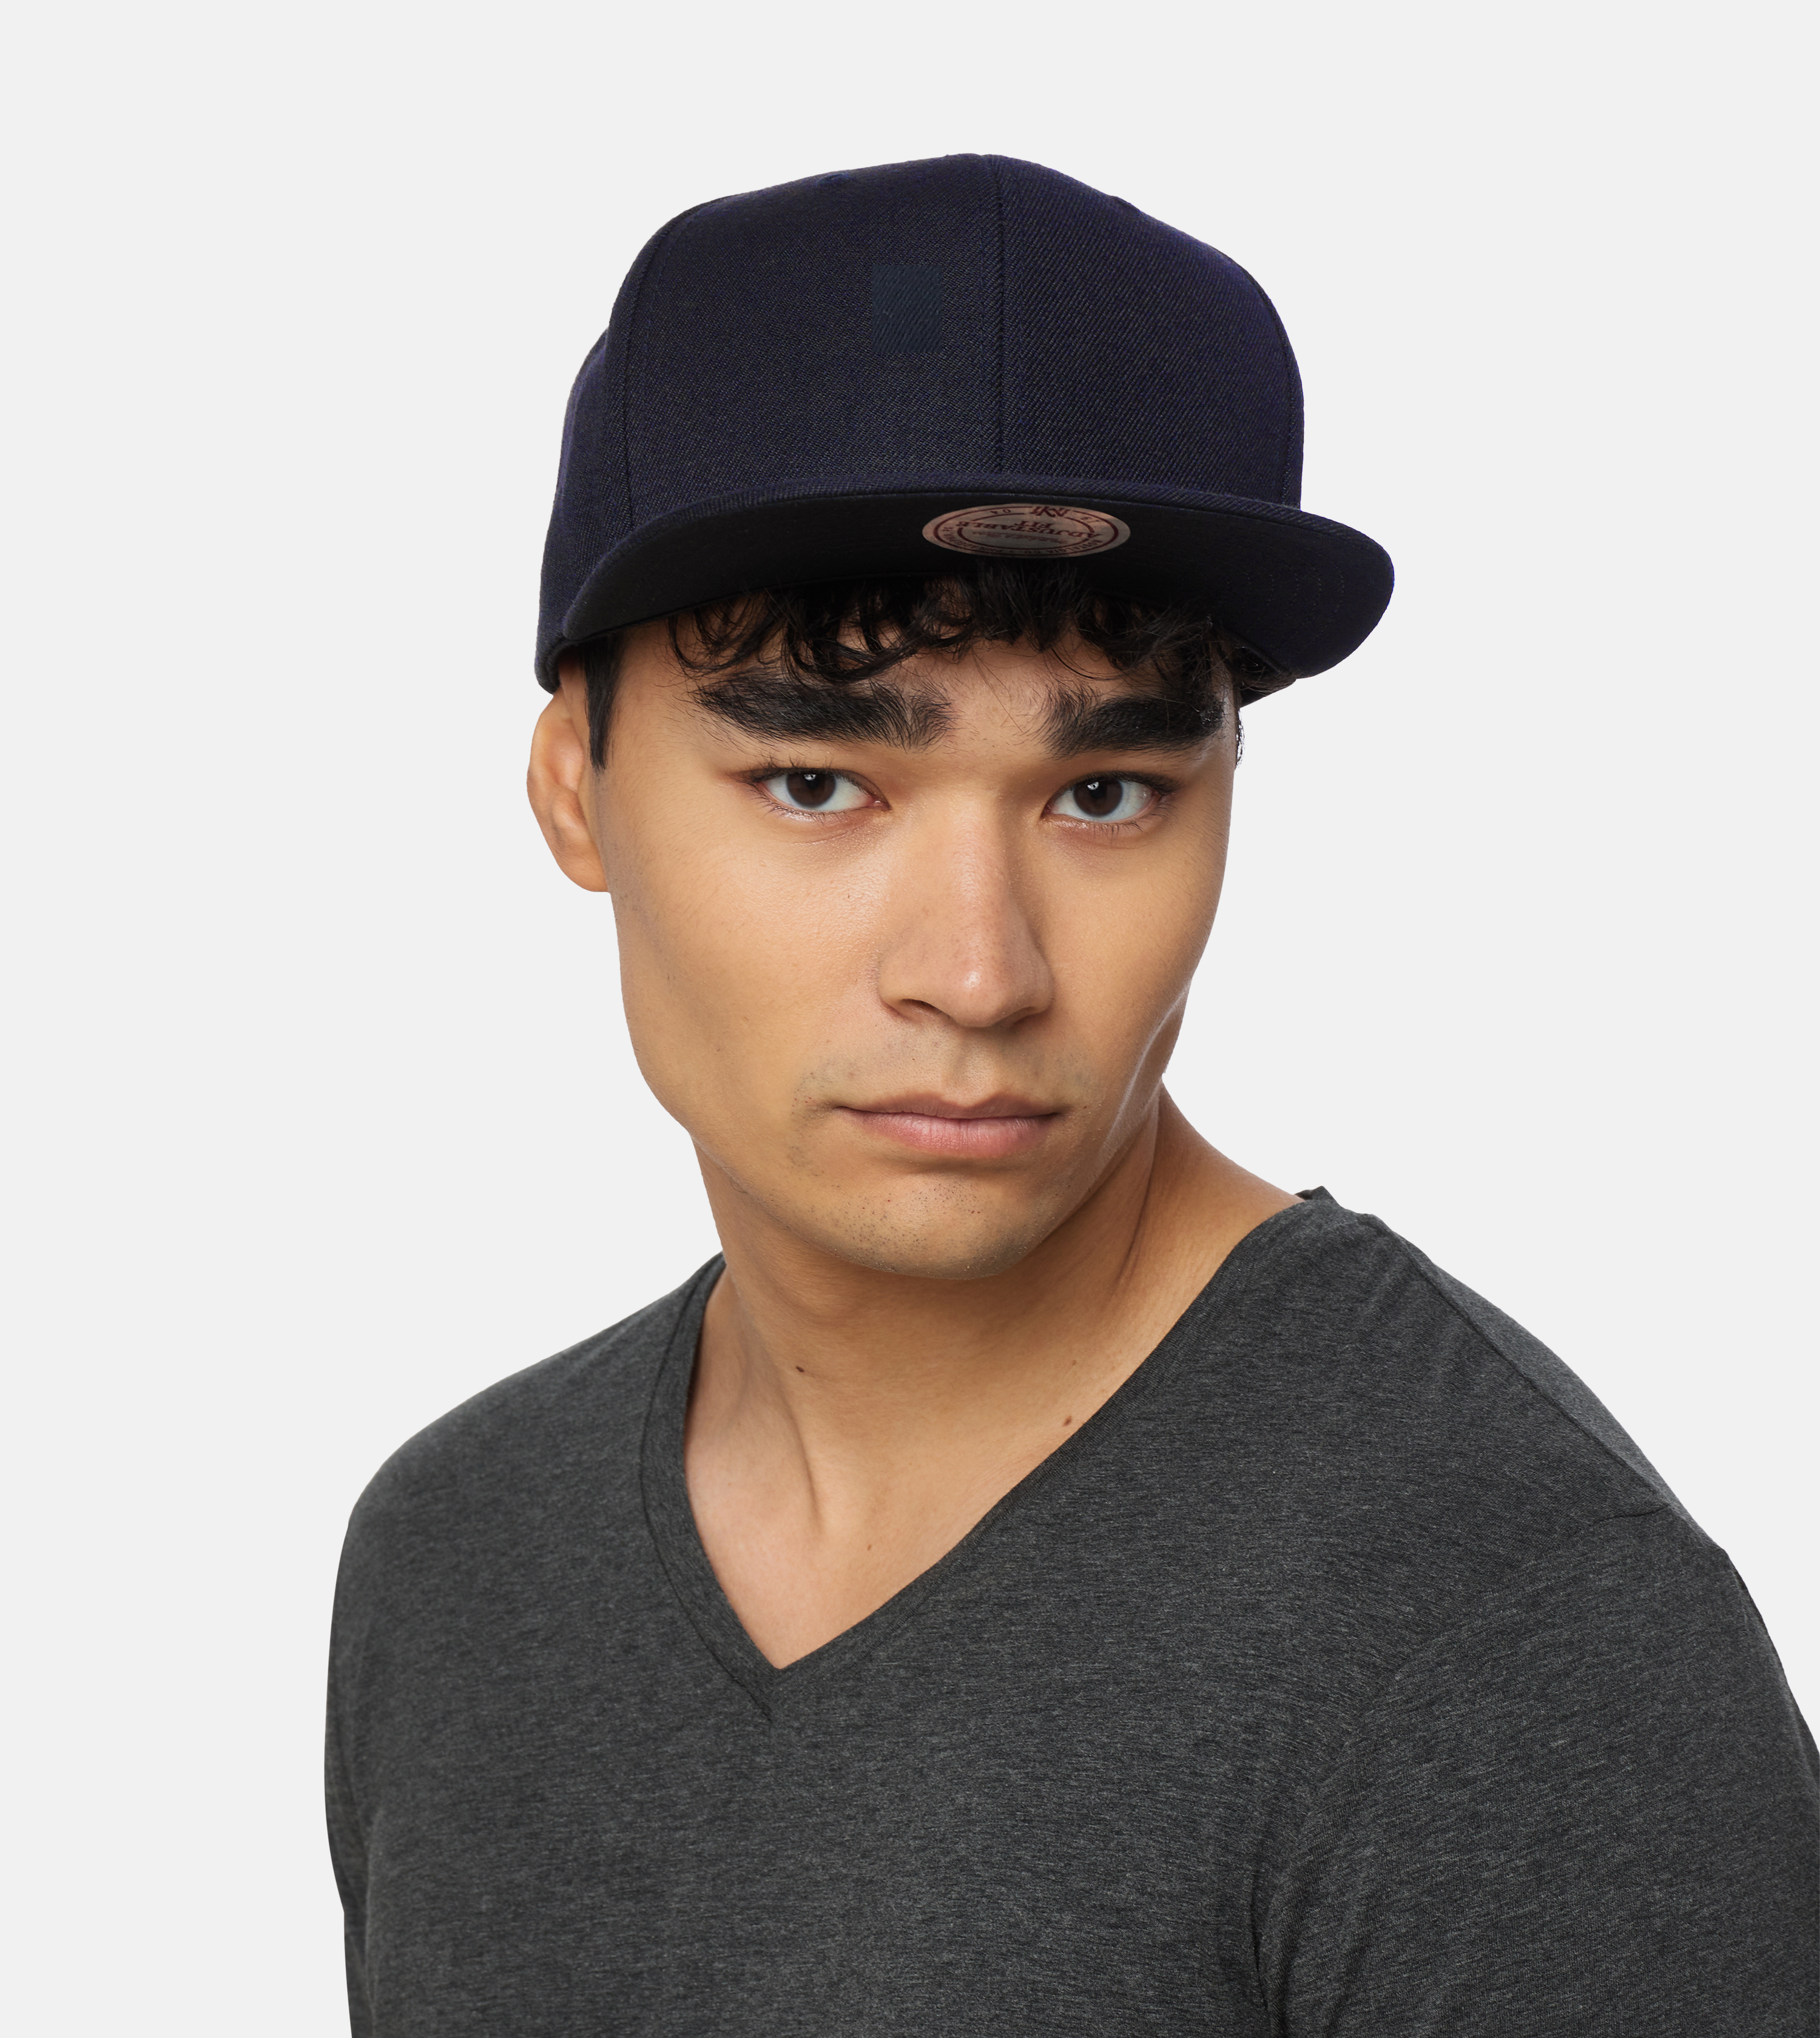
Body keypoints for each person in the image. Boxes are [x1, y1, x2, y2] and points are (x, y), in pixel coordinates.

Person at [325, 155, 1818, 2034]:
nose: (981, 972)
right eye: (819, 785)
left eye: (1105, 796)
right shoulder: (458, 1563)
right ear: (575, 789)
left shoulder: (1514, 1627)